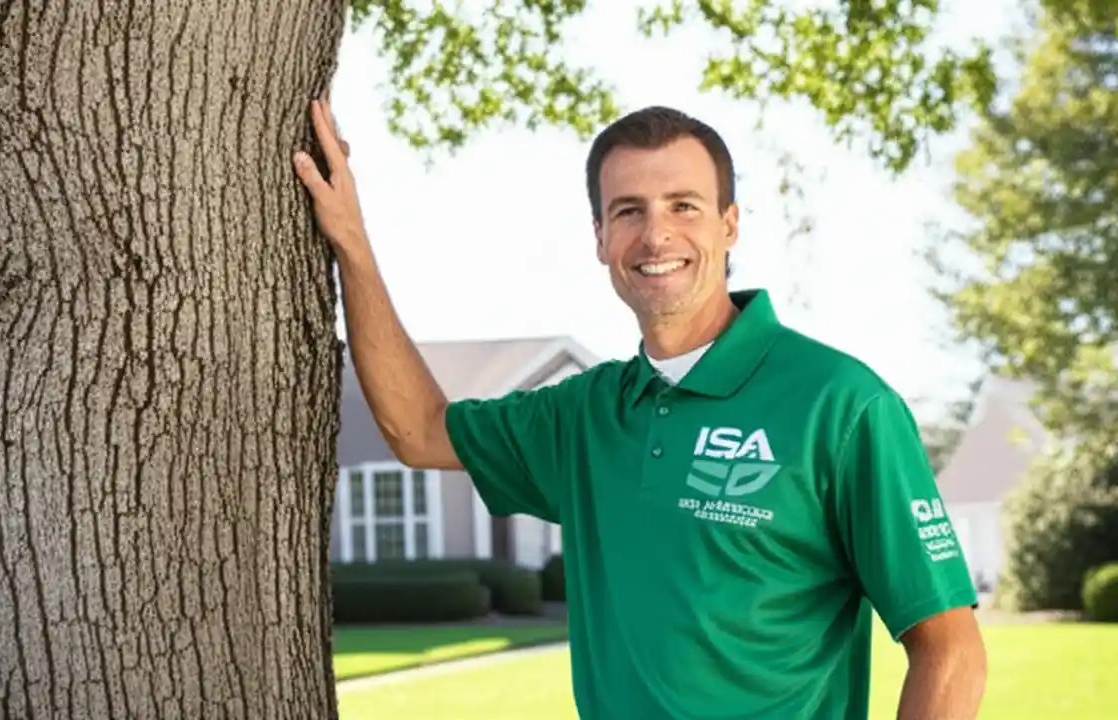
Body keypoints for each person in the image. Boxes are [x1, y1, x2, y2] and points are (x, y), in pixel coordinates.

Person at [293, 98, 987, 719]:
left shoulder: (840, 403)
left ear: (729, 225)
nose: (656, 236)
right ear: (600, 237)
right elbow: (419, 431)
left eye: (683, 205)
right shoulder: (585, 415)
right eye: (629, 211)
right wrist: (350, 241)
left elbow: (949, 651)